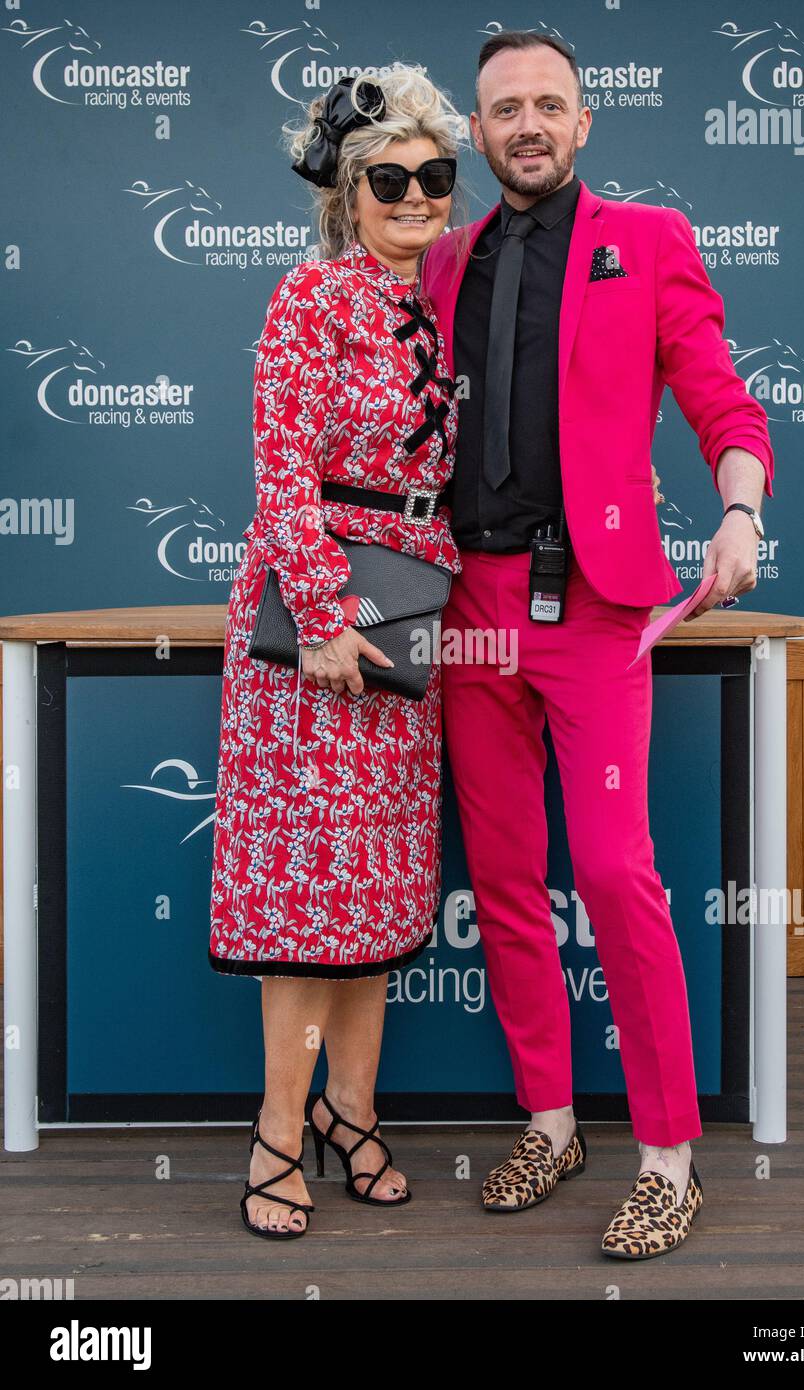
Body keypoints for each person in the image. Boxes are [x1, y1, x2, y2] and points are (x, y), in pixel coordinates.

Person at [421, 30, 774, 1259]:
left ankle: (667, 1156)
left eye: (546, 105)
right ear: (478, 133)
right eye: (502, 108)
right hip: (466, 612)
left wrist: (739, 506)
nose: (524, 124)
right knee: (506, 881)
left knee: (616, 874)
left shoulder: (649, 240)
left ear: (582, 125)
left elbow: (723, 400)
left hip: (598, 613)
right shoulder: (444, 258)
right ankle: (551, 1119)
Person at [209, 66, 466, 1238]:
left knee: (376, 896)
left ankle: (351, 1113)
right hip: (317, 628)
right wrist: (320, 616)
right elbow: (282, 472)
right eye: (391, 179)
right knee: (306, 898)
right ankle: (276, 1130)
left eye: (433, 176)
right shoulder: (311, 298)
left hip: (413, 615)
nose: (416, 197)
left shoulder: (448, 303)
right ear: (347, 194)